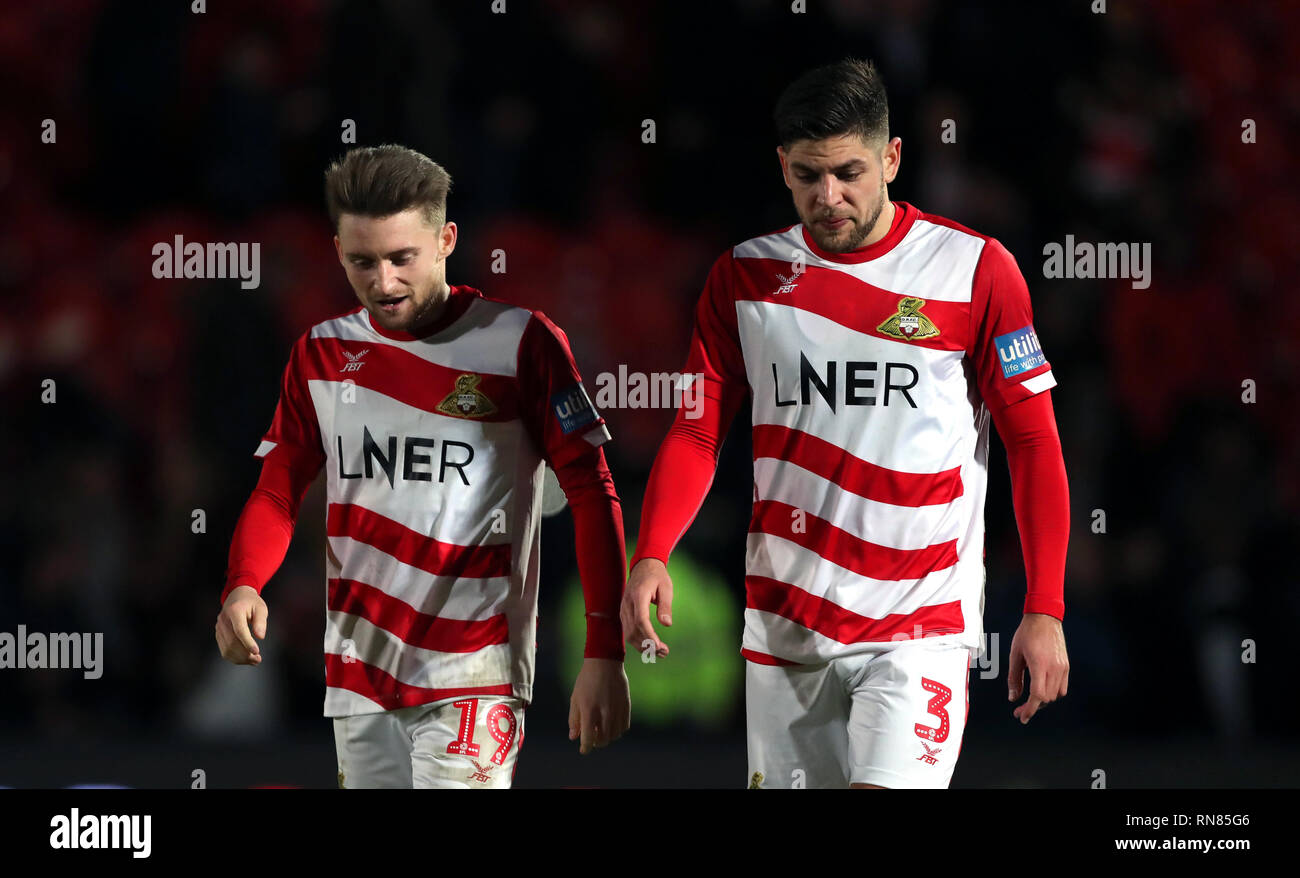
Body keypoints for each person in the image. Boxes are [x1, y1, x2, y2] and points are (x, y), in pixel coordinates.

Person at [622, 58, 1071, 789]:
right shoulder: (744, 278)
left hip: (917, 627)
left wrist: (1045, 606)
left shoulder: (976, 271)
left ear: (893, 157)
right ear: (782, 167)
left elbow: (1033, 441)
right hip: (784, 628)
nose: (828, 197)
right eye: (807, 175)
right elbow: (699, 432)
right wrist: (652, 553)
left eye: (850, 172)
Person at [214, 144, 630, 788]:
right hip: (357, 671)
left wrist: (603, 648)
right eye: (362, 261)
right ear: (337, 252)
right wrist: (244, 583)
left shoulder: (522, 342)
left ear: (446, 240)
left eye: (401, 258)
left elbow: (591, 489)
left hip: (474, 670)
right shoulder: (320, 354)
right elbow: (277, 490)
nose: (383, 282)